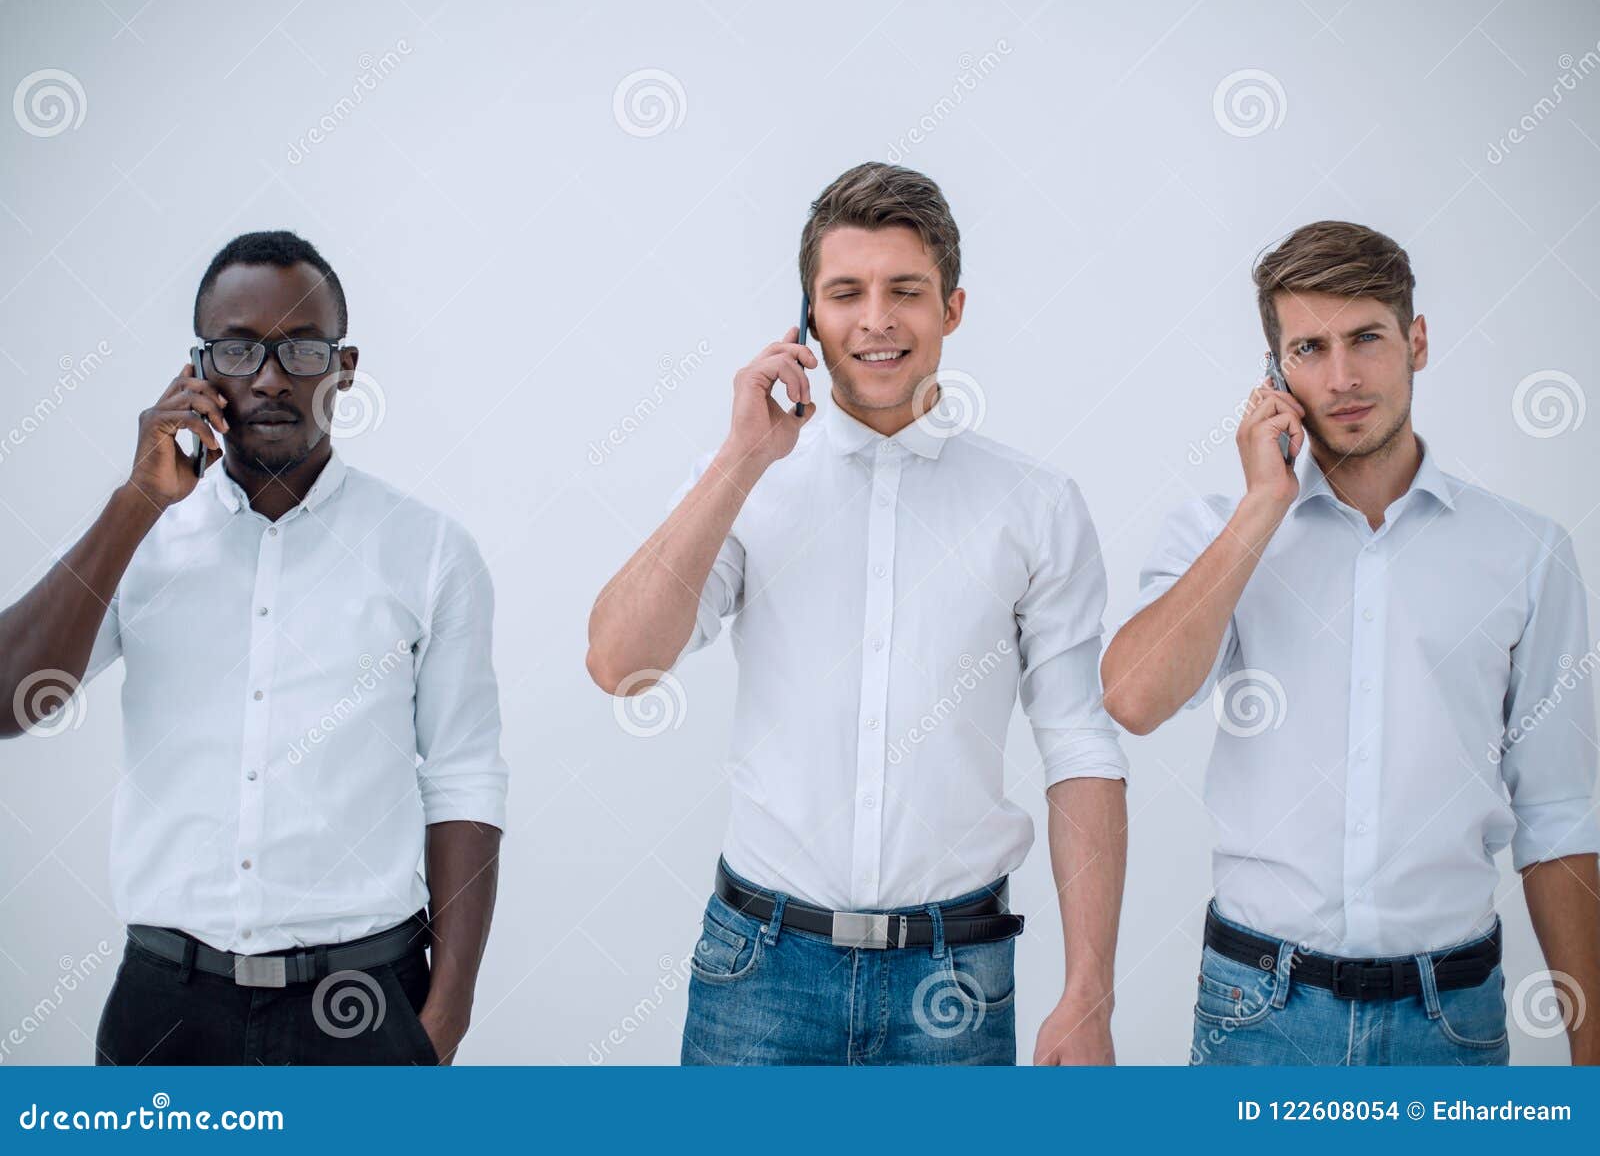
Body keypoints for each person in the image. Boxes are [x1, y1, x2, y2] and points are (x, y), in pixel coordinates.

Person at [587, 163, 1129, 1065]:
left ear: (951, 308)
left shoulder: (1035, 504)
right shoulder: (744, 486)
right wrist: (740, 459)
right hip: (759, 972)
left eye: (905, 291)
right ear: (807, 316)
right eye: (846, 292)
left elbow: (1079, 745)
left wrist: (1091, 991)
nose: (875, 318)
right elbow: (620, 662)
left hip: (954, 978)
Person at [0, 231, 508, 1065]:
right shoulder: (141, 542)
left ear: (343, 365)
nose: (270, 377)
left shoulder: (429, 550)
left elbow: (462, 778)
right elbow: (12, 701)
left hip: (364, 1006)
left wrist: (444, 1014)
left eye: (301, 349)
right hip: (166, 1006)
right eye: (238, 348)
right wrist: (136, 501)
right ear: (197, 368)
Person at [1101, 220, 1600, 1065]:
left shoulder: (1526, 551)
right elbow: (1135, 698)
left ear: (1418, 340)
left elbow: (1558, 814)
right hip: (1258, 1010)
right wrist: (1264, 505)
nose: (1342, 377)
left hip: (1452, 1018)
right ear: (1276, 374)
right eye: (1309, 348)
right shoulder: (1216, 535)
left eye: (1366, 337)